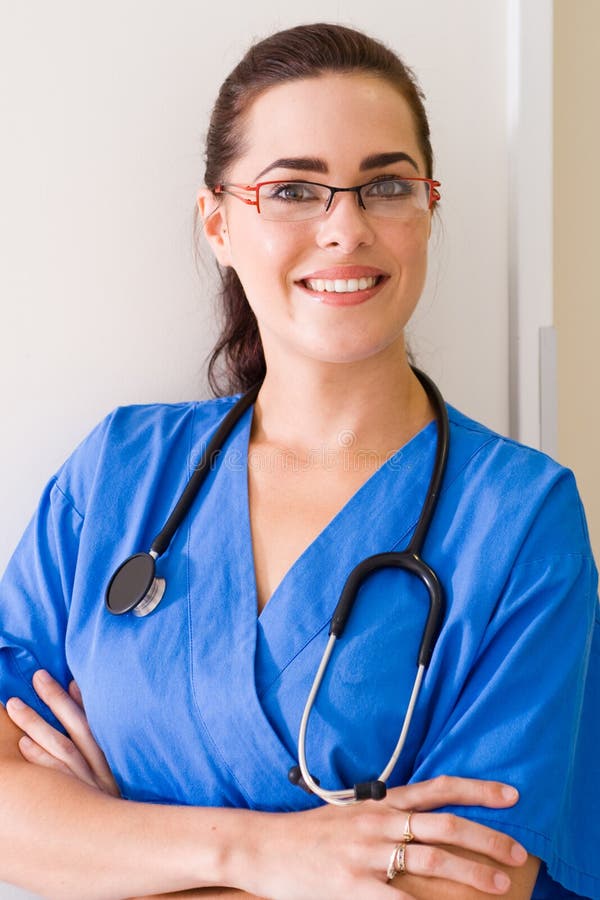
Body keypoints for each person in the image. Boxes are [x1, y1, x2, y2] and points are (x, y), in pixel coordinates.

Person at [0, 21, 598, 900]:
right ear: (217, 221)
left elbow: (467, 884)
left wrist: (108, 837)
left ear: (429, 208)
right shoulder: (119, 476)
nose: (345, 228)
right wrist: (264, 856)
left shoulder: (519, 519)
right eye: (292, 190)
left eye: (386, 185)